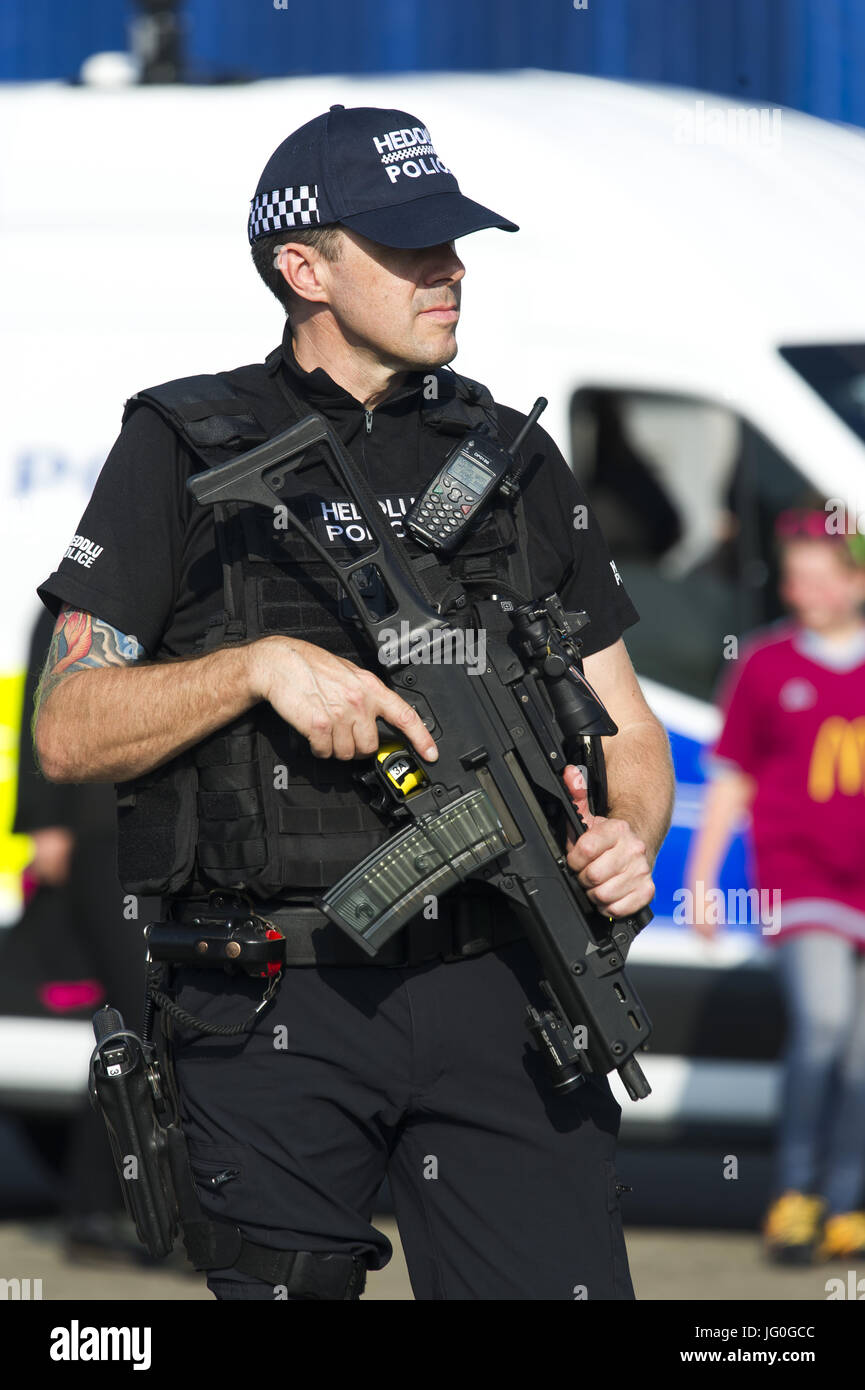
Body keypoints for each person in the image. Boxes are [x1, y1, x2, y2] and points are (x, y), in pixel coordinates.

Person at [31, 104, 673, 1300]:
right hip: (273, 997)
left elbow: (628, 725)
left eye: (454, 242)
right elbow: (67, 728)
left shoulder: (512, 460)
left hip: (510, 985)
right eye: (409, 245)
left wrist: (627, 833)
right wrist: (254, 665)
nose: (449, 269)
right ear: (304, 268)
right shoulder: (181, 445)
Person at [685, 509, 865, 1264]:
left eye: (819, 578)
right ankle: (794, 1195)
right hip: (801, 878)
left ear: (856, 580)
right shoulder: (764, 665)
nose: (802, 593)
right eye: (793, 578)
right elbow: (732, 781)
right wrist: (701, 878)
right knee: (822, 1022)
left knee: (861, 1058)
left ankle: (846, 1205)